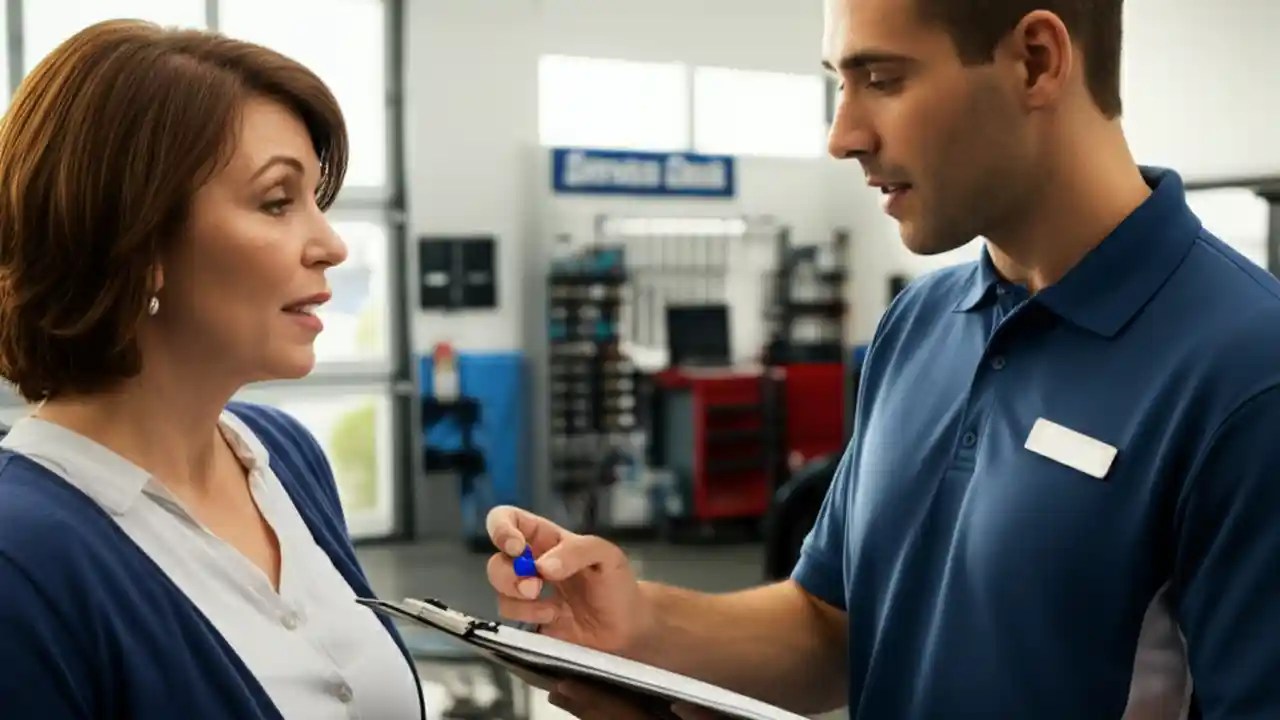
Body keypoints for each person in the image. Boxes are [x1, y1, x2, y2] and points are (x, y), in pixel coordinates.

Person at [485, 0, 1280, 718]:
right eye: (840, 81)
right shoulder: (919, 327)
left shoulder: (1249, 369)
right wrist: (641, 621)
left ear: (1036, 60)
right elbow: (835, 627)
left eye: (882, 78)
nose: (842, 136)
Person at [0, 19, 425, 719]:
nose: (330, 244)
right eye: (277, 201)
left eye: (318, 199)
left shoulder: (284, 457)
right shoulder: (22, 555)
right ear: (137, 242)